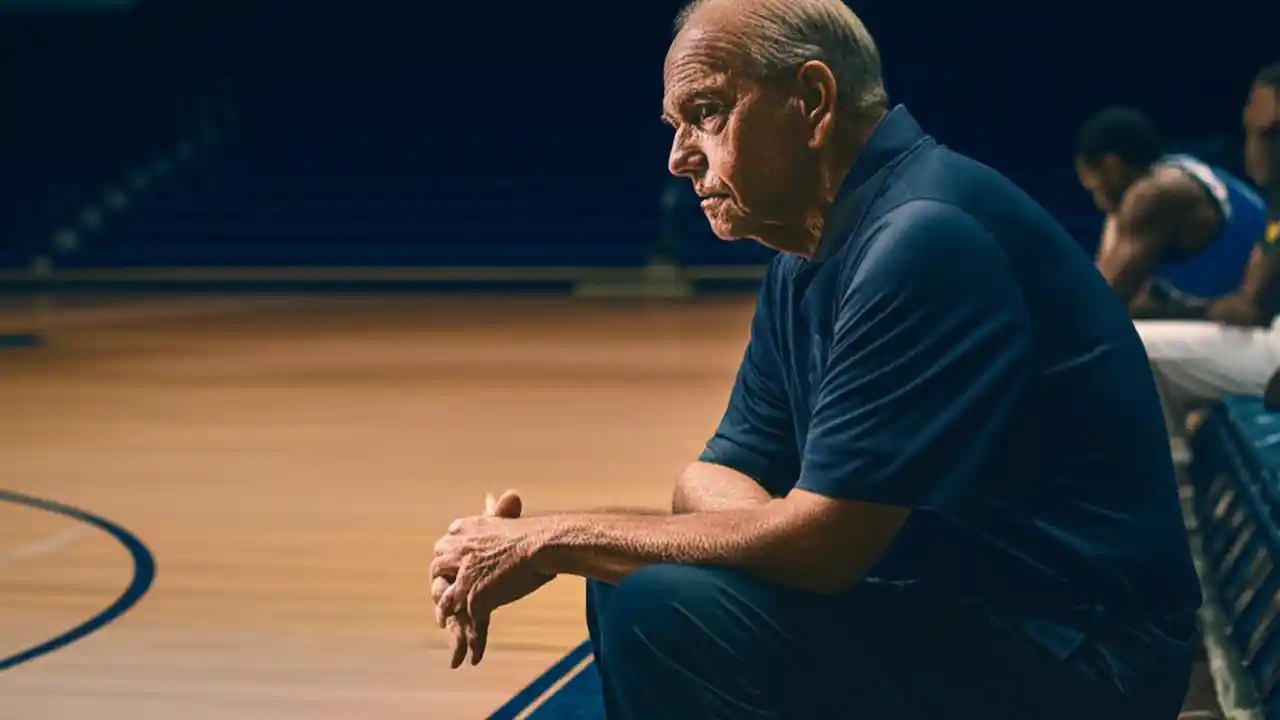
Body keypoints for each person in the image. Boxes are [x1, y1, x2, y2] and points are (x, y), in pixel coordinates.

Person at [431, 1, 1202, 717]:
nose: (677, 158)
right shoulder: (805, 252)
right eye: (675, 125)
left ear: (812, 102)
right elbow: (710, 477)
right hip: (978, 605)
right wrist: (789, 524)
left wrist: (554, 537)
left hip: (1090, 655)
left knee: (652, 603)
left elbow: (824, 547)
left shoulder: (924, 237)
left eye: (705, 114)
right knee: (639, 583)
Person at [1133, 63, 1280, 439]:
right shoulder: (1275, 202)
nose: (1256, 150)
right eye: (1251, 133)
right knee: (1129, 337)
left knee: (1133, 351)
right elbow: (1249, 307)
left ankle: (1171, 493)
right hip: (1267, 342)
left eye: (1272, 136)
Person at [1075, 106, 1267, 318]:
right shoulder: (1139, 203)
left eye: (1092, 186)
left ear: (1113, 167)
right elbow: (1128, 300)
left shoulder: (1157, 195)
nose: (1095, 200)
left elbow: (1101, 303)